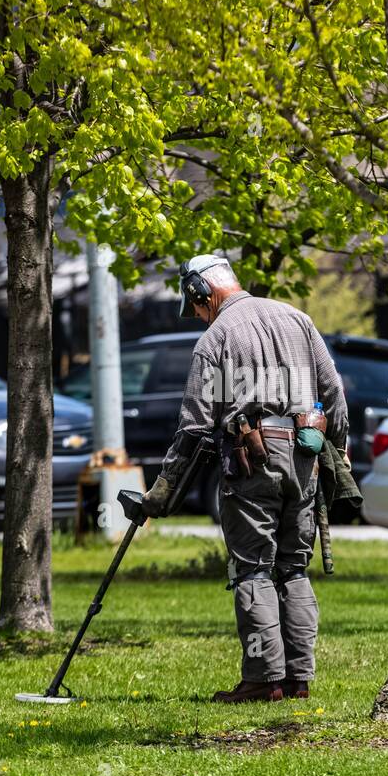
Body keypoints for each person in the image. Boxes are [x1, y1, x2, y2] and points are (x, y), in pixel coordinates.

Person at [141, 253, 348, 702]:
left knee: (252, 568)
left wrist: (163, 489)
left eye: (195, 306)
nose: (197, 316)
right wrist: (340, 454)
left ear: (203, 292)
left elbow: (195, 425)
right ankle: (298, 680)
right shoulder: (298, 319)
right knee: (293, 568)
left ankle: (262, 680)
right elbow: (334, 395)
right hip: (304, 454)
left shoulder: (216, 338)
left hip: (252, 460)